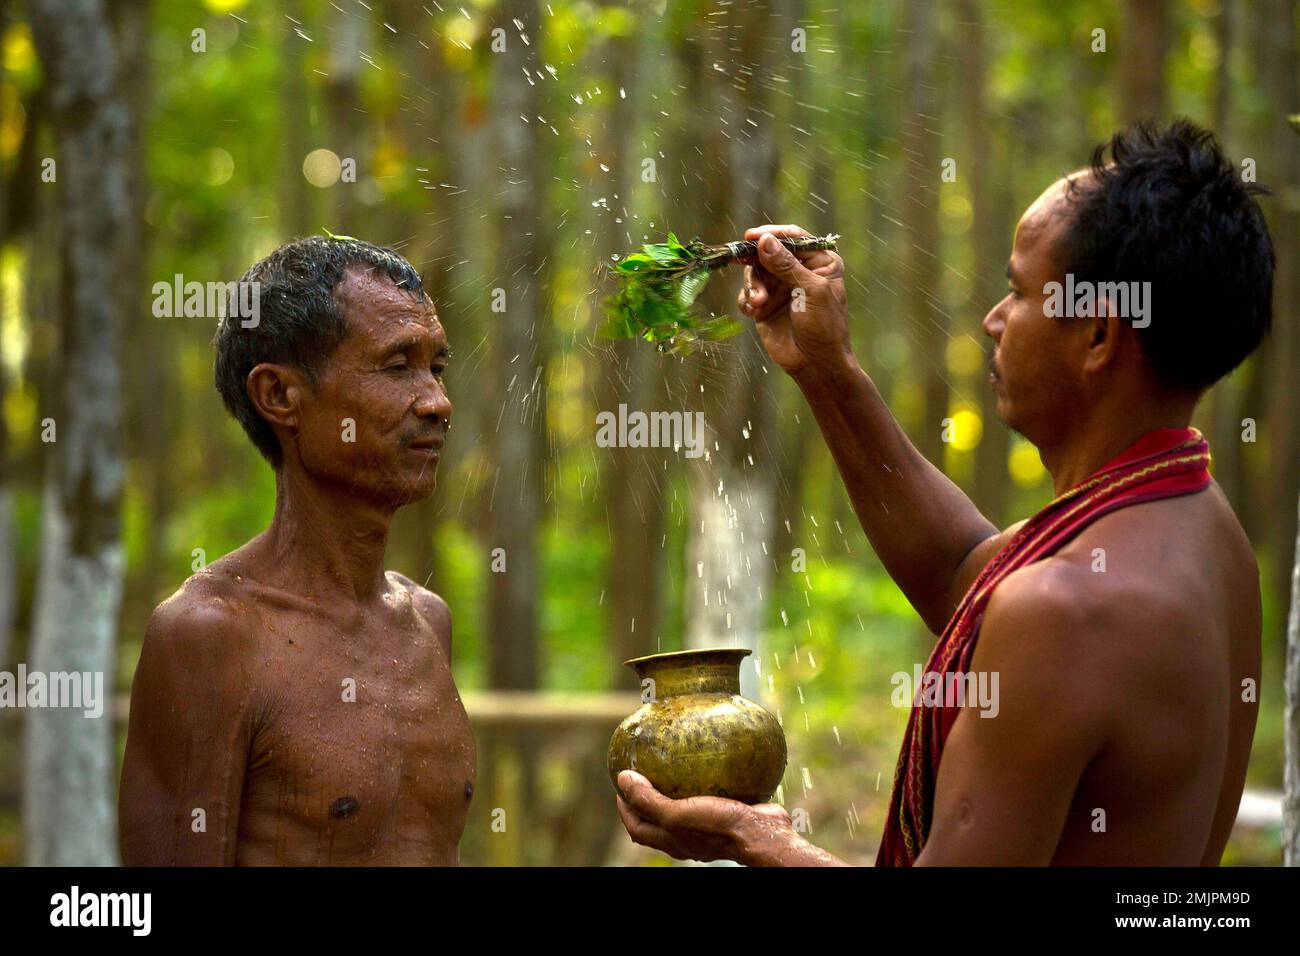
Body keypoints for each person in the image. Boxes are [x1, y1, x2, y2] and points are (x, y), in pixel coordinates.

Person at [615, 119, 1275, 866]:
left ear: (1098, 337)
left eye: (1019, 292)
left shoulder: (1069, 613)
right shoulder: (1207, 539)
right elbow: (967, 573)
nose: (994, 322)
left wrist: (755, 841)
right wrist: (826, 370)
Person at [119, 237, 474, 865]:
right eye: (397, 367)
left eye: (437, 368)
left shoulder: (427, 622)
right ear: (280, 396)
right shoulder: (211, 635)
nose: (436, 402)